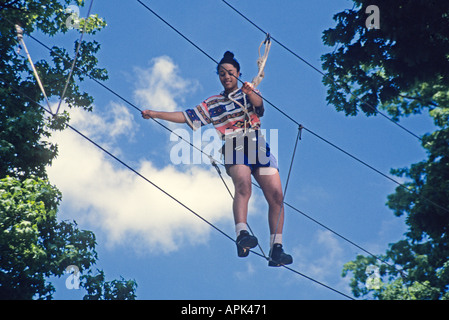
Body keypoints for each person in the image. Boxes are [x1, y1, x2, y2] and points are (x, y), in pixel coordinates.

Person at [142, 51, 292, 267]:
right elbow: (187, 117)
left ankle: (276, 248)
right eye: (222, 74)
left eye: (230, 72)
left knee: (276, 195)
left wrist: (250, 91)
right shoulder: (212, 103)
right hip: (234, 143)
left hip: (257, 143)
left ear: (238, 74)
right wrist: (155, 113)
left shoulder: (247, 92)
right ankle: (242, 234)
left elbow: (260, 106)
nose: (226, 76)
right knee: (243, 186)